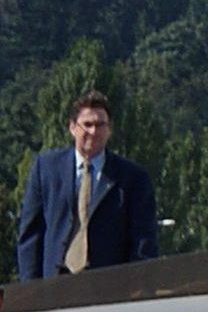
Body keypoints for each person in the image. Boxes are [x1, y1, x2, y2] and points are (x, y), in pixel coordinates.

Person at [16, 93, 158, 282]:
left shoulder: (132, 178)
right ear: (73, 127)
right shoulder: (46, 169)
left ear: (110, 130)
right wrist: (30, 290)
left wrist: (135, 290)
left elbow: (143, 242)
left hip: (108, 287)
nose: (93, 132)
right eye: (87, 125)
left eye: (100, 125)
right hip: (55, 285)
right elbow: (30, 236)